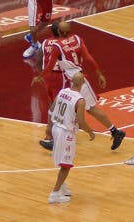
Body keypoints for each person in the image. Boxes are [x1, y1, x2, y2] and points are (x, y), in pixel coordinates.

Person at [36, 21, 127, 152]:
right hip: (79, 78)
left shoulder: (57, 46)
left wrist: (40, 76)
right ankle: (115, 132)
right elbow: (88, 57)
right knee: (84, 109)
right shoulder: (77, 39)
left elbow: (50, 65)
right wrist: (99, 73)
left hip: (72, 79)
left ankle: (55, 139)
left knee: (61, 108)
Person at [46, 72, 95, 204]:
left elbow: (51, 109)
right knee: (66, 165)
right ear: (83, 84)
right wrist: (90, 132)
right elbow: (81, 121)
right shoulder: (80, 100)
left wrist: (48, 127)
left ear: (71, 81)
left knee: (61, 160)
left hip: (56, 128)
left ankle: (61, 186)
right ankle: (54, 194)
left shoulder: (62, 92)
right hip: (66, 133)